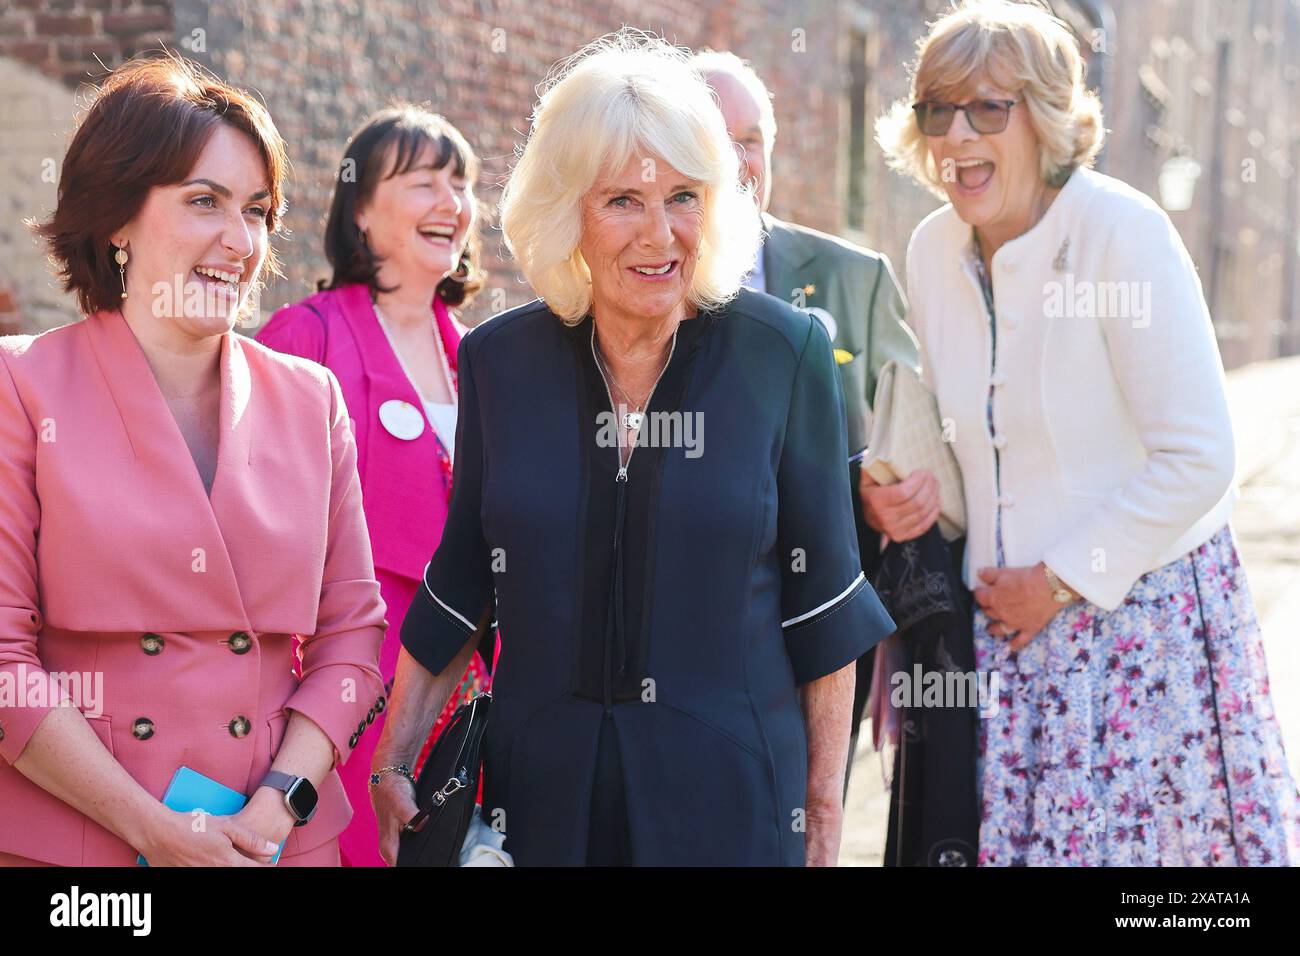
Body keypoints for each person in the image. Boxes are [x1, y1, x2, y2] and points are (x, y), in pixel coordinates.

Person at [371, 31, 895, 866]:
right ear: (567, 211)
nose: (660, 235)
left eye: (683, 196)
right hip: (539, 807)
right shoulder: (501, 363)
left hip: (734, 802)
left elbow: (825, 608)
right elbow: (466, 575)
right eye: (623, 200)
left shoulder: (783, 355)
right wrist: (393, 758)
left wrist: (823, 820)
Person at [875, 0, 1300, 865]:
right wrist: (892, 487)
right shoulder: (929, 250)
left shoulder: (1122, 234)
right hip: (1001, 643)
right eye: (937, 110)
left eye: (989, 108)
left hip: (1142, 631)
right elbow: (970, 440)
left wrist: (1063, 580)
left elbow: (1201, 459)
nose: (958, 136)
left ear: (1047, 119)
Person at [0, 54, 386, 866]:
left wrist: (281, 806)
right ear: (116, 221)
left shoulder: (311, 399)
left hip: (275, 846)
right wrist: (149, 829)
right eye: (203, 202)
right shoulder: (22, 385)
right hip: (81, 852)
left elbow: (354, 640)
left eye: (258, 210)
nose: (239, 241)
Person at [256, 106, 491, 867]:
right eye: (425, 181)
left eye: (462, 184)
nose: (451, 203)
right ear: (360, 207)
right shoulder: (306, 338)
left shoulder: (488, 357)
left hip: (474, 694)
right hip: (348, 686)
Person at [695, 50, 921, 789]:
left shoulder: (856, 278)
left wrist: (893, 486)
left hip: (821, 623)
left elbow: (916, 429)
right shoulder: (637, 282)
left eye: (750, 139)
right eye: (709, 137)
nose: (735, 160)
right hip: (681, 628)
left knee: (809, 813)